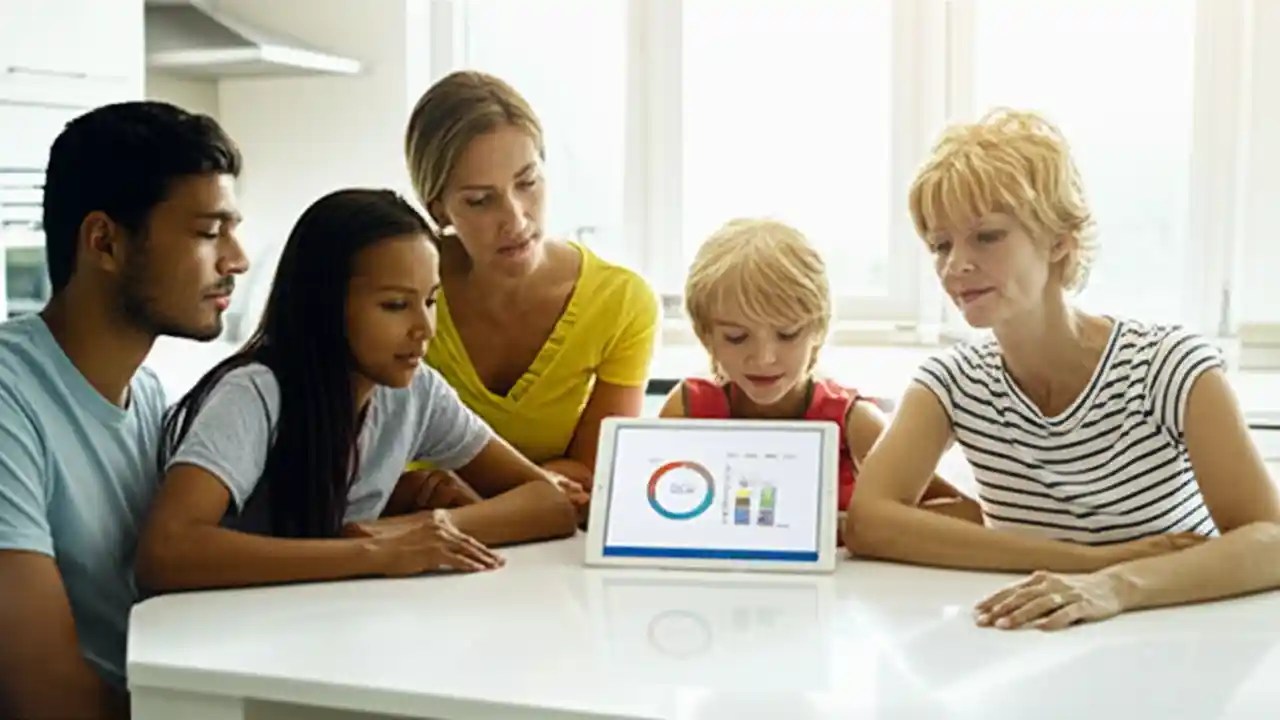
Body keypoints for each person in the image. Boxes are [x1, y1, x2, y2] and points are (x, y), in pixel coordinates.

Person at [846, 108, 1280, 629]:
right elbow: (869, 523)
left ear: (1058, 240)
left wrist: (1117, 584)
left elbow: (1270, 539)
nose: (954, 264)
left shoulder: (1172, 367)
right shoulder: (951, 383)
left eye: (986, 236)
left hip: (1176, 641)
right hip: (1034, 644)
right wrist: (1087, 561)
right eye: (941, 244)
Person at [136, 189, 584, 593]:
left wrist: (427, 527)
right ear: (324, 307)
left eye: (430, 301)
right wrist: (375, 553)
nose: (424, 328)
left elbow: (550, 502)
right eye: (394, 305)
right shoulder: (255, 394)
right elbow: (167, 552)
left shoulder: (416, 392)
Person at [0, 101, 249, 718]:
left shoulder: (150, 399)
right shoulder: (9, 399)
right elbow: (43, 692)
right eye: (207, 232)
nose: (236, 259)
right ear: (105, 242)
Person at [403, 71, 659, 489]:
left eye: (527, 183)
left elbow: (597, 473)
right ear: (439, 209)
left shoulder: (621, 303)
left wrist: (459, 494)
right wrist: (535, 489)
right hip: (416, 542)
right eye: (481, 200)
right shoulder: (407, 288)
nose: (516, 219)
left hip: (548, 545)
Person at [659, 218, 982, 542]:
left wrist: (842, 527)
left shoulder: (853, 422)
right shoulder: (688, 407)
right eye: (736, 337)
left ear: (817, 330)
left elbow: (966, 512)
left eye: (787, 335)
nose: (764, 357)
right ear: (707, 336)